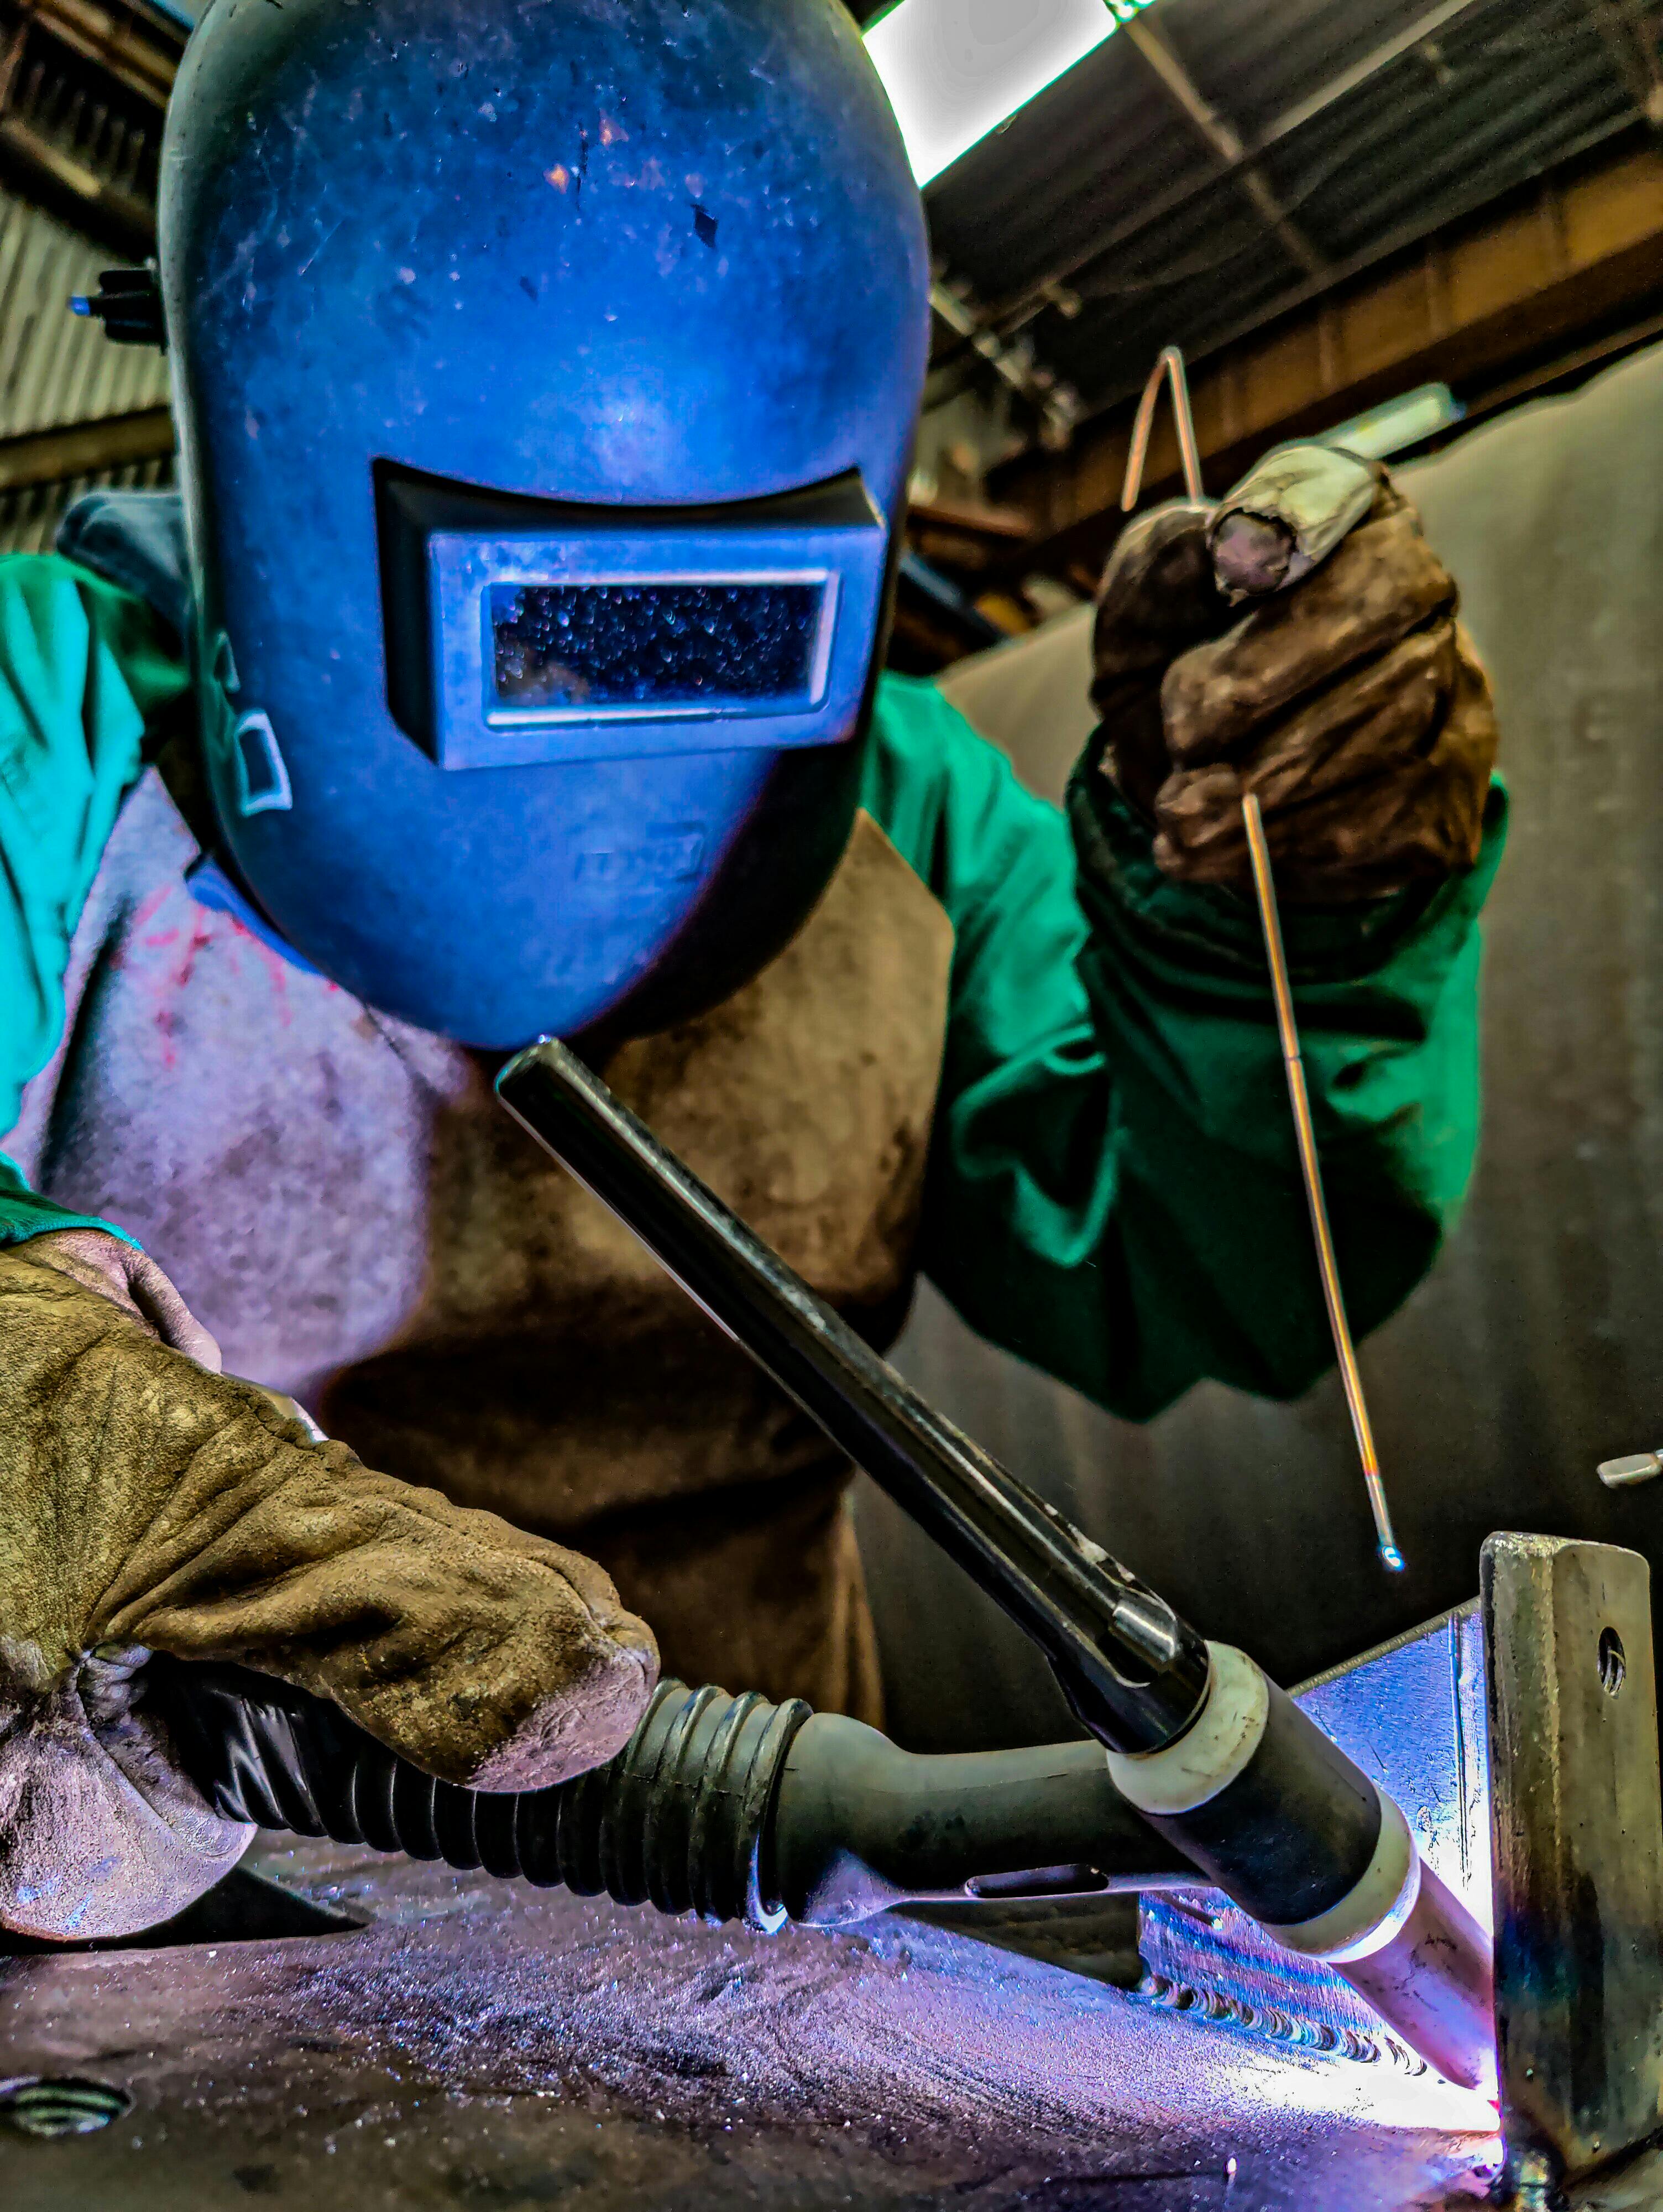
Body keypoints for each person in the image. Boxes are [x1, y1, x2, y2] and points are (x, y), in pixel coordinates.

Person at [0, 0, 1502, 1942]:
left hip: (784, 1911)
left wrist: (1295, 941)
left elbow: (1222, 1277)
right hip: (178, 1942)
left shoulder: (914, 819)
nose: (628, 714)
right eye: (546, 623)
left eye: (721, 613)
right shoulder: (48, 718)